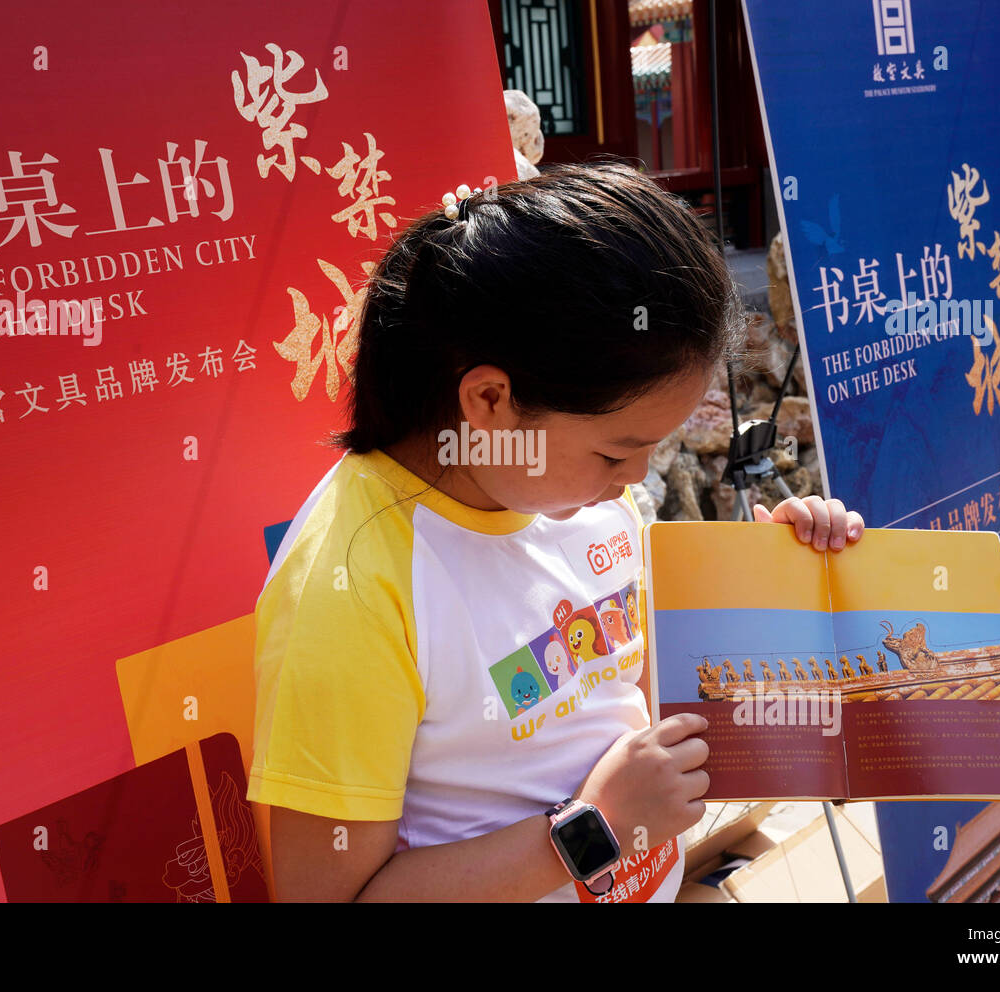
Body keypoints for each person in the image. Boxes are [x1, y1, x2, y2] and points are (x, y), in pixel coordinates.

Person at [246, 159, 864, 902]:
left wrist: (776, 595)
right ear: (489, 400)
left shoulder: (582, 500)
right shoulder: (354, 582)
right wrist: (595, 829)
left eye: (651, 450)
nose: (636, 481)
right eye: (616, 449)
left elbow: (644, 699)